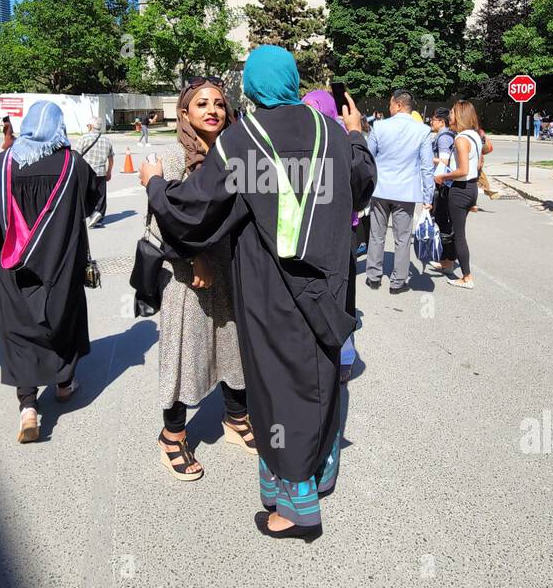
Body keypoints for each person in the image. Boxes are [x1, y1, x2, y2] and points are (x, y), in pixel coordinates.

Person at [140, 45, 376, 540]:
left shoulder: (243, 141)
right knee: (319, 377)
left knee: (280, 386)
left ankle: (296, 510)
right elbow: (360, 184)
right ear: (292, 81)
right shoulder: (329, 132)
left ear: (251, 87)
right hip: (328, 285)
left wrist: (156, 186)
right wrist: (356, 136)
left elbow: (192, 212)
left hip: (273, 290)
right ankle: (317, 472)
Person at [0, 101, 100, 442]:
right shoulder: (73, 164)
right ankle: (64, 383)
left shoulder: (2, 164)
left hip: (13, 264)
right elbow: (94, 202)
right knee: (60, 320)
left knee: (18, 330)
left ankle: (28, 406)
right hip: (61, 262)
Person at [148, 79, 251, 479]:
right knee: (182, 351)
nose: (212, 110)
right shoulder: (174, 157)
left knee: (232, 345)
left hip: (229, 268)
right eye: (202, 104)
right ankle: (172, 435)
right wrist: (196, 260)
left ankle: (236, 418)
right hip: (185, 276)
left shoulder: (232, 154)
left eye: (220, 104)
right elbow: (162, 221)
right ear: (185, 113)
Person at [306, 89, 361, 382]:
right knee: (338, 298)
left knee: (324, 298)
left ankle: (338, 357)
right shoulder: (343, 138)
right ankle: (341, 359)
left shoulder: (309, 138)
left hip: (318, 236)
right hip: (340, 233)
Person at [364, 89, 433, 294]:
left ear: (399, 105)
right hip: (406, 192)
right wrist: (428, 196)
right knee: (402, 238)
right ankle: (398, 282)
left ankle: (373, 276)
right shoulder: (422, 131)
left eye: (391, 104)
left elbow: (369, 158)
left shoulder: (380, 127)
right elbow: (426, 167)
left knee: (376, 235)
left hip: (381, 189)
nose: (389, 107)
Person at [433, 100, 483, 289]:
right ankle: (449, 263)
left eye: (453, 113)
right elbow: (477, 165)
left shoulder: (461, 139)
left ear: (460, 115)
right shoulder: (475, 136)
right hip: (471, 188)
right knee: (457, 232)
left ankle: (466, 276)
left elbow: (462, 169)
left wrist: (442, 176)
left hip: (460, 189)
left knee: (459, 235)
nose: (450, 116)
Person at [429, 108, 457, 274]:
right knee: (441, 221)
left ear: (441, 121)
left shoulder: (444, 137)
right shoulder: (445, 136)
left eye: (433, 119)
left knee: (443, 222)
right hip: (443, 183)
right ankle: (445, 258)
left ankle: (448, 260)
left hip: (442, 184)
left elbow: (444, 161)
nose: (431, 122)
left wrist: (425, 157)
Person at [76, 120, 114, 227]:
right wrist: (109, 172)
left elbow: (77, 156)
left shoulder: (83, 138)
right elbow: (111, 158)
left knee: (85, 194)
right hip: (101, 172)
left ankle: (85, 215)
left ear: (91, 126)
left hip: (86, 172)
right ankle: (98, 215)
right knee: (100, 196)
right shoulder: (107, 140)